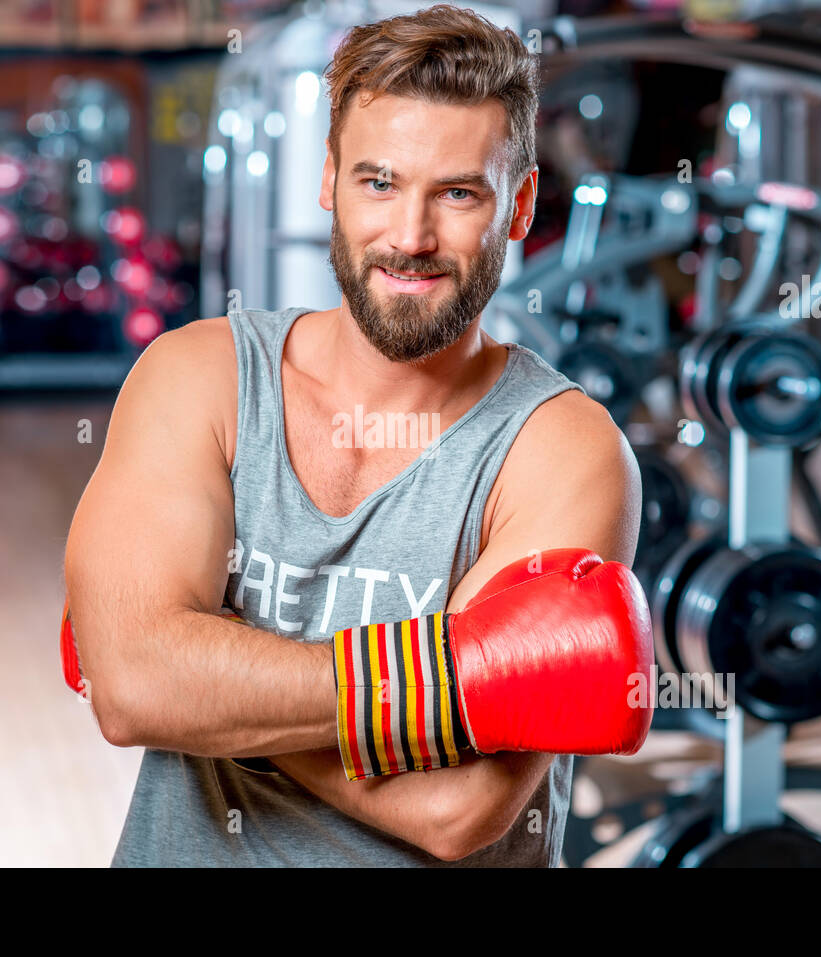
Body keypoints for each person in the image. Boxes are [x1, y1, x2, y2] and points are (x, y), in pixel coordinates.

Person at [62, 4, 650, 867]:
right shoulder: (201, 378)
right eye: (378, 183)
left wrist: (209, 674)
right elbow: (132, 689)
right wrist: (448, 685)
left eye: (457, 192)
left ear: (519, 205)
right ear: (328, 178)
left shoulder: (561, 449)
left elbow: (456, 807)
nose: (409, 238)